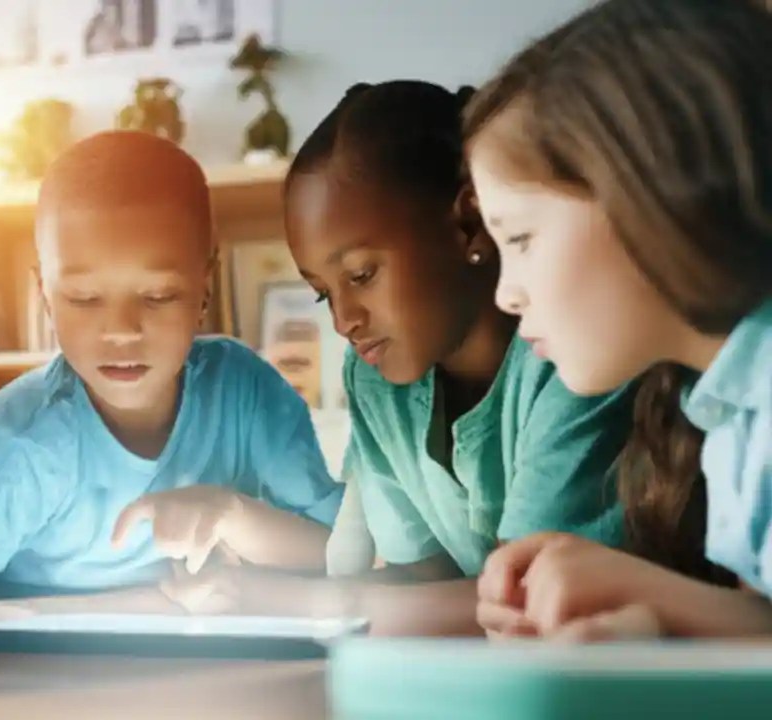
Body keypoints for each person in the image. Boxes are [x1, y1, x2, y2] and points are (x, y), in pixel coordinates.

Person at [164, 81, 634, 636]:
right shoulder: (376, 383)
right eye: (323, 293)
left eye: (362, 275)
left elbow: (524, 602)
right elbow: (420, 577)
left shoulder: (571, 359)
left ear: (469, 222)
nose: (343, 320)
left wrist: (283, 600)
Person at [0, 131, 342, 599]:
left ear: (205, 288)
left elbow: (348, 552)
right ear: (45, 296)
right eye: (84, 298)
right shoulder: (19, 448)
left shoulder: (244, 394)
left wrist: (234, 516)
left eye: (157, 296)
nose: (121, 331)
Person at [467, 0, 772, 640]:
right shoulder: (724, 415)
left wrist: (655, 598)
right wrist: (638, 620)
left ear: (651, 185)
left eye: (519, 238)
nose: (505, 295)